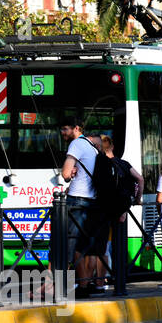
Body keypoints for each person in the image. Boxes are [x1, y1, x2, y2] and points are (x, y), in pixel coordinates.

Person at [57, 116, 99, 296]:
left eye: (65, 128)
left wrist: (68, 173)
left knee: (67, 243)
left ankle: (62, 286)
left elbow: (65, 174)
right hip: (91, 200)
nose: (62, 132)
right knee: (84, 245)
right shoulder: (90, 146)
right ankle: (85, 284)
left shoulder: (75, 145)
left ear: (76, 129)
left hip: (77, 199)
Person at [98, 135, 142, 290]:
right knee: (118, 243)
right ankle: (119, 278)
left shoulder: (100, 164)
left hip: (105, 209)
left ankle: (103, 279)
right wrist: (137, 199)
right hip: (122, 208)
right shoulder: (123, 163)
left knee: (104, 244)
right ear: (113, 147)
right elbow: (140, 179)